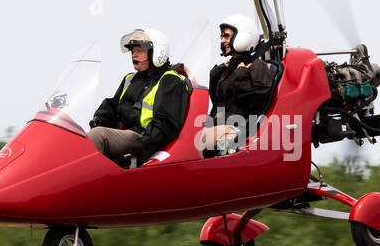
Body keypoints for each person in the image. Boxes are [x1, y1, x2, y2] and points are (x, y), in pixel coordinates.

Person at [89, 28, 191, 167]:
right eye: (132, 51)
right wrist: (100, 119)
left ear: (157, 53)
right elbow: (112, 106)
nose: (134, 55)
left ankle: (84, 177)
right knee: (80, 139)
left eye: (140, 50)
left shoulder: (169, 80)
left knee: (97, 136)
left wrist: (145, 145)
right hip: (123, 137)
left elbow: (166, 122)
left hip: (142, 140)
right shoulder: (129, 79)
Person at [200, 14, 275, 156]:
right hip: (220, 122)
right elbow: (218, 102)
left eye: (226, 36)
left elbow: (255, 100)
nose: (223, 40)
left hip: (241, 127)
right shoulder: (229, 67)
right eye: (222, 36)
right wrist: (216, 75)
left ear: (243, 37)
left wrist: (240, 75)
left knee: (199, 142)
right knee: (187, 138)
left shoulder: (257, 66)